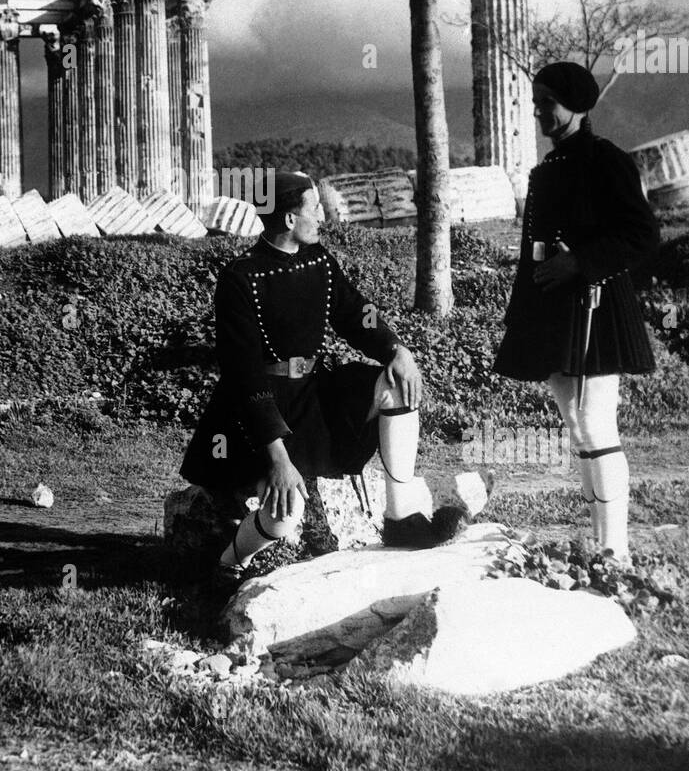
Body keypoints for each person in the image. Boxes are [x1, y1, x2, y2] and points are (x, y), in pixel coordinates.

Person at [180, 170, 460, 592]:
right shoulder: (240, 278)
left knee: (394, 384)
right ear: (290, 218)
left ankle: (400, 518)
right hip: (254, 414)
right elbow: (243, 375)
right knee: (282, 513)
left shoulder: (319, 262)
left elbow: (355, 314)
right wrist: (277, 458)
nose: (322, 217)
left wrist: (396, 349)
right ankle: (228, 565)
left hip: (313, 395)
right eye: (315, 208)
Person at [493, 61, 659, 562]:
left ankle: (615, 553)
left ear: (577, 105)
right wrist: (521, 319)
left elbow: (641, 234)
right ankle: (599, 544)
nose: (540, 110)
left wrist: (580, 263)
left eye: (549, 101)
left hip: (598, 307)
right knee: (575, 422)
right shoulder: (545, 171)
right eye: (537, 100)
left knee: (594, 423)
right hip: (552, 315)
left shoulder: (605, 160)